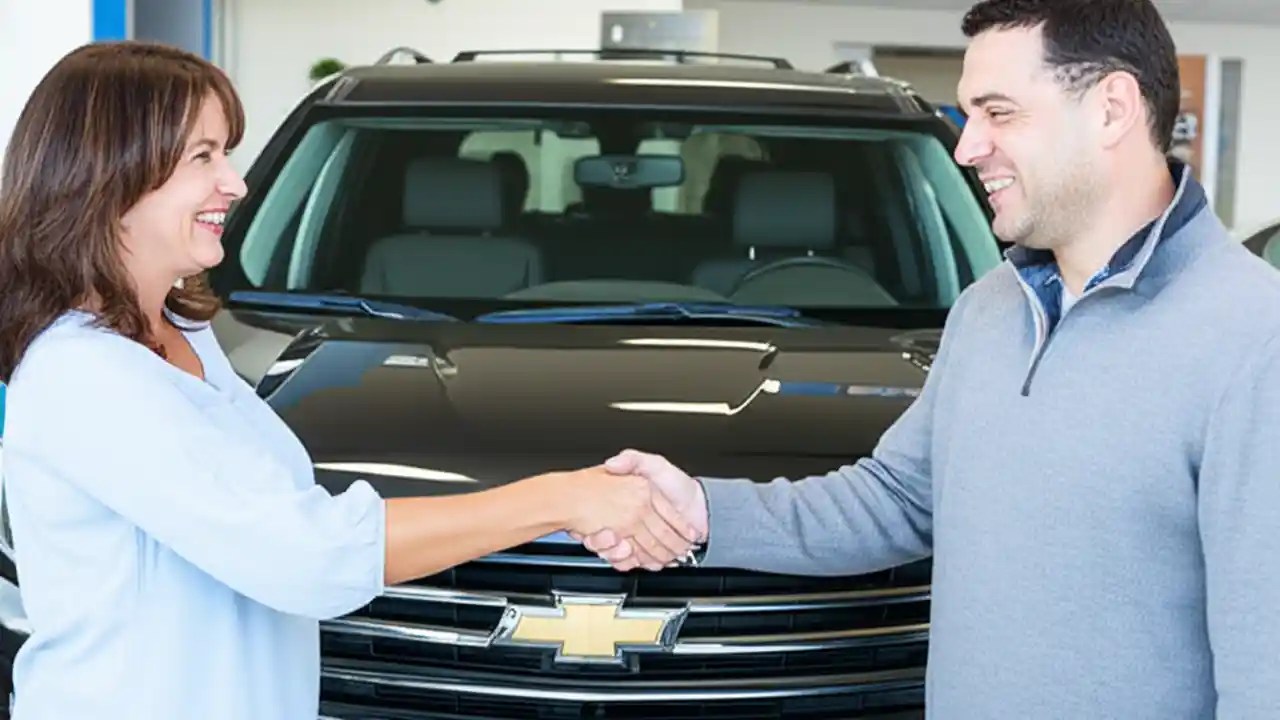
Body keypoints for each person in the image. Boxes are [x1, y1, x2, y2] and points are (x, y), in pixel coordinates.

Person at [578, 0, 1280, 717]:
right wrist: (701, 511)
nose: (968, 146)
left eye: (998, 113)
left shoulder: (1256, 340)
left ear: (1112, 109)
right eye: (969, 115)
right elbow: (899, 499)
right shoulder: (990, 308)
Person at [0, 42, 698, 719]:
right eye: (202, 157)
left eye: (227, 153)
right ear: (110, 176)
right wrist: (561, 498)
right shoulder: (85, 376)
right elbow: (305, 552)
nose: (235, 183)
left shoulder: (183, 335)